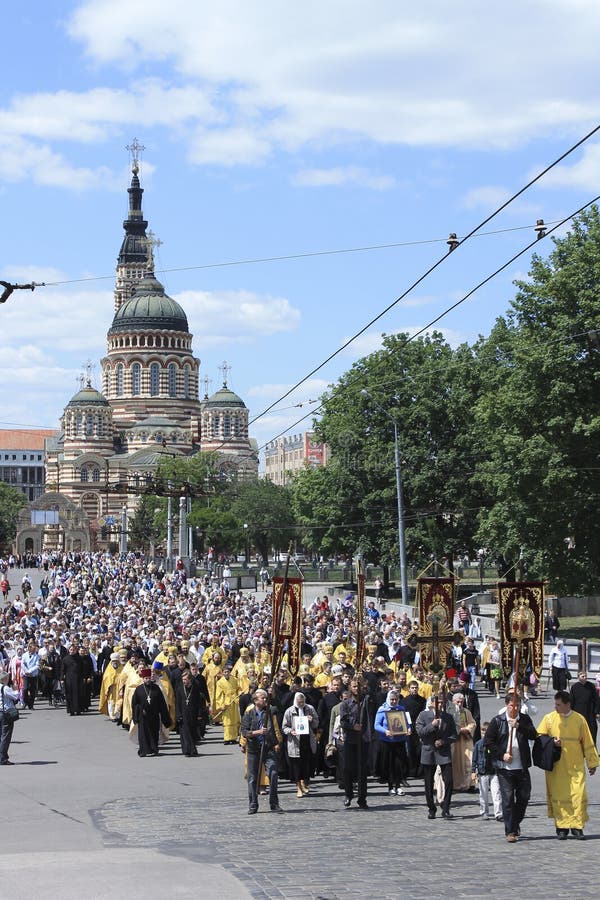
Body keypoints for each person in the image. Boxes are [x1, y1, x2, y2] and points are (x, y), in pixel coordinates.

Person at [536, 690, 599, 839]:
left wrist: (592, 763)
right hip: (557, 766)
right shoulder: (549, 719)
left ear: (567, 704)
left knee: (577, 794)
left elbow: (588, 742)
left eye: (558, 704)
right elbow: (539, 737)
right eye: (555, 704)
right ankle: (562, 827)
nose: (555, 707)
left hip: (575, 765)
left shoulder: (579, 719)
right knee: (559, 796)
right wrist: (552, 742)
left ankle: (577, 827)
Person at [484, 693, 537, 843]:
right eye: (512, 705)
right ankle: (510, 831)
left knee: (524, 797)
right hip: (504, 768)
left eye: (518, 706)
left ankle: (515, 822)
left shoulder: (524, 719)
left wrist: (519, 727)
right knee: (507, 800)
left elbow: (534, 734)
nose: (515, 708)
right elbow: (488, 742)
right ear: (506, 705)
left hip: (522, 766)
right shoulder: (498, 721)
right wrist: (502, 755)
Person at [415, 693, 458, 820]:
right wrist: (432, 725)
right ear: (432, 703)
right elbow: (420, 733)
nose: (440, 705)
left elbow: (454, 735)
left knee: (449, 781)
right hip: (429, 752)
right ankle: (431, 808)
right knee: (428, 782)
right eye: (438, 702)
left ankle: (446, 807)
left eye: (442, 702)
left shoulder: (448, 717)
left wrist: (444, 741)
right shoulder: (423, 715)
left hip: (443, 752)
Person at [240, 689, 283, 814]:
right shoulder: (249, 713)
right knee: (252, 778)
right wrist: (257, 732)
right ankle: (253, 804)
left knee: (273, 773)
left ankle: (274, 803)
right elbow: (244, 732)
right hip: (254, 749)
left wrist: (271, 695)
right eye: (262, 698)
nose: (264, 700)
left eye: (265, 698)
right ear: (255, 701)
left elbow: (278, 707)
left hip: (268, 748)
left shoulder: (269, 712)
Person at [339, 676, 373, 809]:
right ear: (350, 688)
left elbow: (372, 701)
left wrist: (364, 684)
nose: (356, 688)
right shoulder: (346, 704)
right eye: (354, 686)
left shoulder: (366, 700)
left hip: (363, 740)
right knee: (348, 769)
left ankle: (362, 798)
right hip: (350, 740)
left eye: (358, 686)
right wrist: (353, 727)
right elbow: (343, 722)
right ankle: (348, 794)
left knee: (362, 771)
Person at [282, 691, 319, 797]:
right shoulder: (289, 711)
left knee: (306, 765)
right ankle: (298, 787)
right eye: (299, 702)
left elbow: (316, 722)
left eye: (302, 702)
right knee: (296, 766)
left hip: (307, 740)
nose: (301, 704)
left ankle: (304, 783)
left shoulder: (310, 709)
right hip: (295, 742)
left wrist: (312, 720)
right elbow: (284, 727)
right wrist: (290, 731)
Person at [374, 688, 410, 795]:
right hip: (387, 741)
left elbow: (406, 723)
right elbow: (376, 725)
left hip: (400, 740)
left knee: (399, 764)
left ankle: (398, 785)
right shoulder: (382, 709)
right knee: (389, 764)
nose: (394, 702)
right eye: (392, 699)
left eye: (395, 699)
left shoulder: (401, 709)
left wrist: (408, 729)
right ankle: (390, 786)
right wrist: (385, 731)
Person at [131, 666, 171, 757]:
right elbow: (134, 704)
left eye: (149, 678)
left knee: (154, 733)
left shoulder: (156, 688)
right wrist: (138, 713)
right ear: (142, 679)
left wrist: (166, 718)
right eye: (146, 678)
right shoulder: (139, 689)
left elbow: (162, 704)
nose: (147, 680)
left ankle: (154, 749)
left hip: (154, 715)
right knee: (143, 735)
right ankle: (144, 751)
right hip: (143, 717)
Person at [472, 721, 502, 820]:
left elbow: (498, 756)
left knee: (496, 792)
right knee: (483, 793)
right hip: (482, 771)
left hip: (493, 771)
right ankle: (484, 812)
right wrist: (473, 771)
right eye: (483, 732)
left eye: (486, 732)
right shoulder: (478, 744)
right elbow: (474, 758)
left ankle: (498, 813)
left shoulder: (494, 743)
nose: (484, 734)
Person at [450, 692, 476, 792]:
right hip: (454, 742)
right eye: (457, 702)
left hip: (464, 740)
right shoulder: (450, 712)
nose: (459, 704)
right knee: (454, 763)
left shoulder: (466, 712)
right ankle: (454, 784)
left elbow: (472, 723)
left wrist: (467, 729)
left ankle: (468, 784)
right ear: (453, 702)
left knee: (468, 761)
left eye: (461, 702)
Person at [175, 667, 202, 756]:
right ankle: (189, 750)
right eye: (183, 679)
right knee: (185, 733)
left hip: (193, 714)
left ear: (190, 679)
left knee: (192, 732)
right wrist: (178, 715)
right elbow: (178, 703)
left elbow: (199, 702)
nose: (184, 681)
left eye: (185, 679)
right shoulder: (179, 688)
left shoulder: (195, 688)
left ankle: (191, 749)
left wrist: (199, 714)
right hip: (183, 714)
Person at [570, 671, 599, 747]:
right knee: (578, 733)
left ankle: (592, 749)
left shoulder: (591, 686)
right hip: (578, 713)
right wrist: (570, 713)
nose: (585, 678)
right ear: (578, 677)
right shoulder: (574, 687)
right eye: (582, 676)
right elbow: (571, 701)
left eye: (585, 676)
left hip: (590, 713)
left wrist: (597, 712)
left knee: (592, 732)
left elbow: (596, 700)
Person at [0, 670, 19, 765]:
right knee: (5, 736)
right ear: (4, 679)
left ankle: (1, 757)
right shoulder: (5, 688)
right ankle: (3, 758)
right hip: (5, 713)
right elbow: (16, 696)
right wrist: (16, 689)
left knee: (1, 736)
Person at [61, 644, 84, 716]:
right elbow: (62, 670)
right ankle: (71, 710)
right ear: (69, 650)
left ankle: (78, 710)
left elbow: (82, 669)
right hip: (69, 678)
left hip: (78, 678)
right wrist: (61, 678)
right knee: (69, 694)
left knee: (78, 694)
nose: (72, 651)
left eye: (73, 650)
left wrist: (83, 677)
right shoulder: (65, 659)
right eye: (71, 649)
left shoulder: (79, 658)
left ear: (76, 650)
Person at [21, 640, 40, 710]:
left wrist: (30, 671)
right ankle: (25, 702)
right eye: (30, 647)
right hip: (26, 675)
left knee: (33, 690)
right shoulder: (24, 655)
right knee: (25, 689)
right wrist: (26, 671)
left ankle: (31, 705)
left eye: (33, 647)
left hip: (33, 675)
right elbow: (22, 664)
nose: (32, 648)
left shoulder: (37, 656)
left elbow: (37, 665)